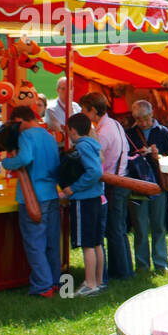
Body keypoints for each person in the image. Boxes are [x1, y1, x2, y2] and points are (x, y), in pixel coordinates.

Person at [0, 105, 61, 298]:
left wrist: (7, 163)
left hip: (32, 197)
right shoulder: (49, 136)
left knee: (35, 243)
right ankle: (55, 281)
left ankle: (43, 286)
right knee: (52, 242)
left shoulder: (26, 136)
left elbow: (25, 158)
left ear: (19, 121)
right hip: (51, 194)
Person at [79, 91, 132, 281]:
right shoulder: (114, 124)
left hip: (113, 183)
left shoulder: (103, 132)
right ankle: (125, 269)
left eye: (84, 111)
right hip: (122, 179)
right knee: (119, 228)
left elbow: (95, 159)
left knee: (114, 229)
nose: (83, 115)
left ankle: (122, 272)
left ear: (93, 111)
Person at [59, 112, 105, 296]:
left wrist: (73, 188)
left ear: (72, 130)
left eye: (68, 130)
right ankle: (99, 281)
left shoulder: (83, 146)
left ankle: (90, 284)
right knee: (96, 243)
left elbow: (93, 172)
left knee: (87, 243)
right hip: (95, 198)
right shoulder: (93, 144)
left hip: (84, 199)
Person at [126, 99, 168, 275]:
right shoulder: (129, 133)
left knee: (158, 225)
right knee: (140, 226)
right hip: (137, 185)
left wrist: (157, 155)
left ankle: (161, 263)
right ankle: (142, 265)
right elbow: (126, 158)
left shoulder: (163, 133)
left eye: (146, 118)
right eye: (140, 119)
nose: (144, 122)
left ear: (152, 115)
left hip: (158, 185)